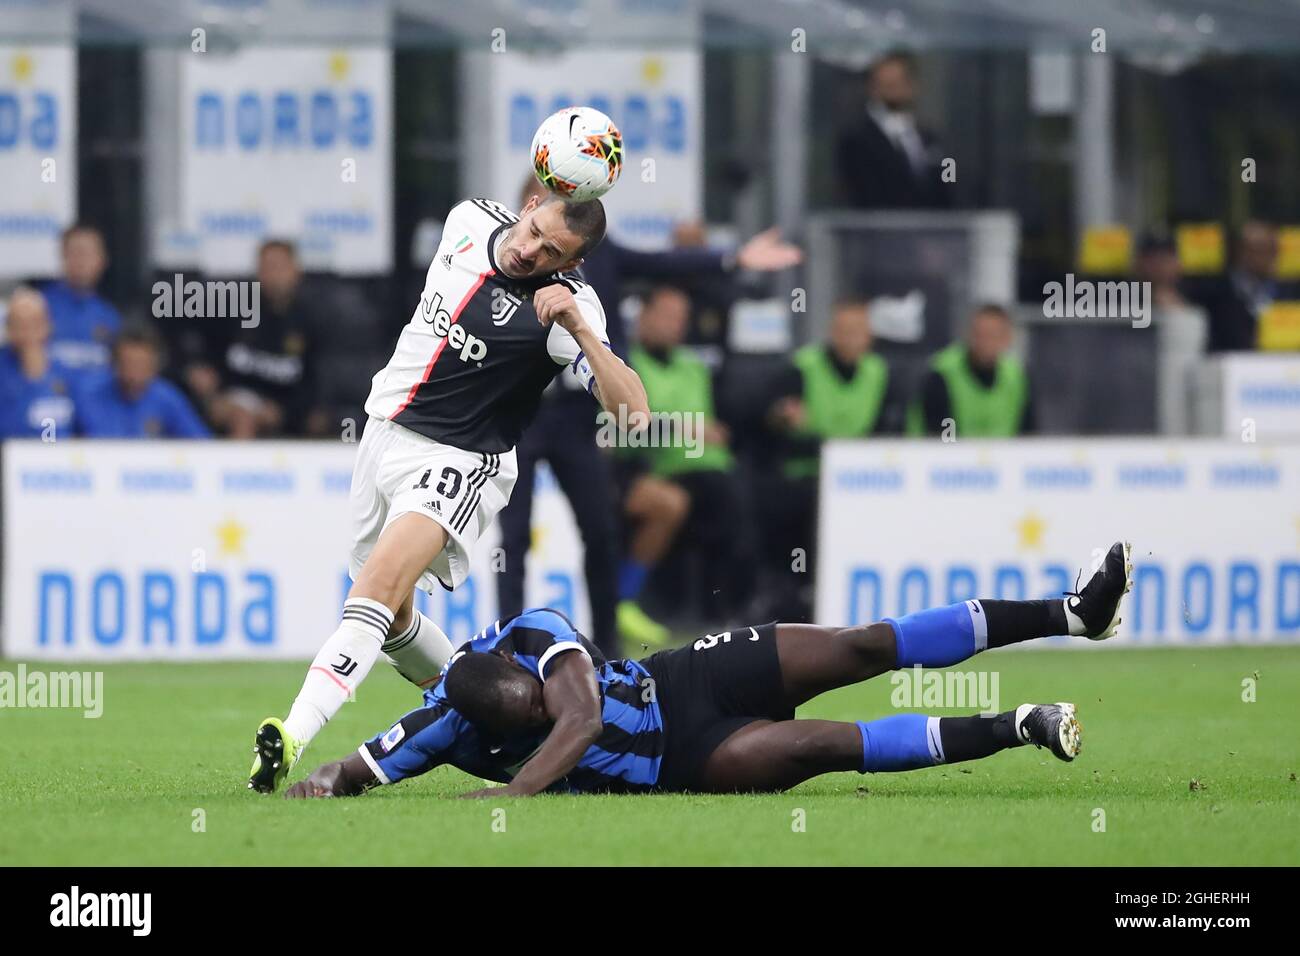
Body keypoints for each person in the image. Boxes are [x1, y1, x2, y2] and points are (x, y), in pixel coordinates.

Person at [247, 193, 650, 794]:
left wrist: (580, 329)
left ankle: (293, 733)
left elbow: (634, 414)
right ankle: (503, 715)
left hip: (460, 459)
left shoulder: (568, 308)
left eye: (552, 253)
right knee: (393, 620)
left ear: (573, 265)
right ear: (529, 204)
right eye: (534, 230)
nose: (530, 250)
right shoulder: (468, 219)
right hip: (382, 433)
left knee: (374, 588)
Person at [285, 542, 1133, 798]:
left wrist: (513, 795)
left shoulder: (537, 632)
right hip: (681, 763)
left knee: (863, 645)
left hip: (685, 681)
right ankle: (1019, 725)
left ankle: (1072, 614)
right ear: (479, 725)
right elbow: (352, 768)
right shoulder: (443, 724)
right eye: (523, 728)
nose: (544, 716)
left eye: (537, 703)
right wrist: (314, 782)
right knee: (818, 748)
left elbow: (577, 720)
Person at [497, 175, 802, 655]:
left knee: (600, 531)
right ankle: (508, 649)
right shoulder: (498, 258)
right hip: (520, 412)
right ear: (525, 209)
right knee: (512, 537)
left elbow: (661, 262)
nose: (540, 239)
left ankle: (607, 648)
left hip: (581, 417)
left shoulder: (599, 253)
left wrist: (732, 258)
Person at [761, 300, 902, 619]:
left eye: (857, 331)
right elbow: (771, 421)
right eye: (844, 331)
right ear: (832, 333)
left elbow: (891, 431)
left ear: (869, 337)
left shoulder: (880, 374)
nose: (850, 339)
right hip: (808, 473)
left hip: (863, 479)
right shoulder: (802, 367)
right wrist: (783, 418)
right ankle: (799, 593)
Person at [624, 285, 747, 637]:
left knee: (735, 503)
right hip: (655, 468)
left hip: (711, 470)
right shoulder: (625, 363)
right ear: (642, 315)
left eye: (681, 318)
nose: (675, 325)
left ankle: (723, 614)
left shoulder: (695, 368)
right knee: (708, 501)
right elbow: (622, 426)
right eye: (666, 315)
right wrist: (687, 428)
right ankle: (627, 601)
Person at [181, 240, 328, 438]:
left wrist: (284, 412)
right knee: (242, 417)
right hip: (231, 399)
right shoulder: (232, 310)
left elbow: (317, 383)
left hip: (281, 406)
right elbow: (201, 352)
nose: (274, 275)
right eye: (267, 267)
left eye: (280, 267)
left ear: (296, 271)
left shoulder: (312, 320)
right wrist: (206, 383)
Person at [836, 51, 950, 210]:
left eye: (899, 82)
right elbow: (863, 195)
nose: (893, 90)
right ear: (872, 88)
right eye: (886, 84)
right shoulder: (855, 141)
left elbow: (946, 187)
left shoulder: (930, 138)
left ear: (913, 85)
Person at [907, 303, 1034, 437]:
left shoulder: (1017, 377)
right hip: (947, 455)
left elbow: (1028, 435)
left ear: (1007, 339)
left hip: (1004, 456)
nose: (986, 342)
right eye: (979, 334)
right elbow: (939, 435)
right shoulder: (942, 373)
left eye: (993, 335)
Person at [74, 327, 211, 439]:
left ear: (154, 367)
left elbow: (200, 442)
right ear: (114, 365)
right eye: (128, 363)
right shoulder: (90, 394)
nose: (134, 372)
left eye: (141, 364)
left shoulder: (166, 397)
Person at [1193, 220, 1293, 352]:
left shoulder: (1290, 294)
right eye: (1262, 250)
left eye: (1274, 250)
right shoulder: (1216, 294)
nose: (1271, 257)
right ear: (1242, 252)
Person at [39, 223, 123, 371]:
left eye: (88, 253)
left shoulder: (110, 315)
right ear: (62, 256)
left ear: (102, 260)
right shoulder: (39, 307)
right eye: (76, 252)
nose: (82, 261)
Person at [0, 287, 77, 439]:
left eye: (34, 322)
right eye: (19, 324)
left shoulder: (67, 373)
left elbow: (85, 425)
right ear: (8, 329)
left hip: (62, 457)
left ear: (48, 325)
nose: (27, 331)